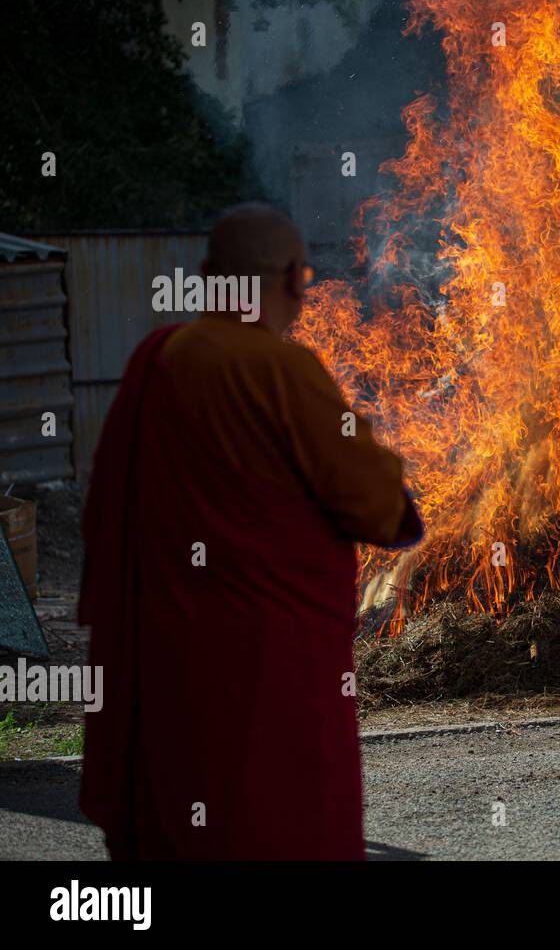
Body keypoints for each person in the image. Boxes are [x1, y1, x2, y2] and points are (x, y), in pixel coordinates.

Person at [80, 203, 422, 860]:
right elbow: (379, 506)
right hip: (265, 678)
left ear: (208, 274)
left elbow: (107, 511)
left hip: (163, 674)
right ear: (296, 280)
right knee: (273, 826)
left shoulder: (156, 363)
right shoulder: (282, 371)